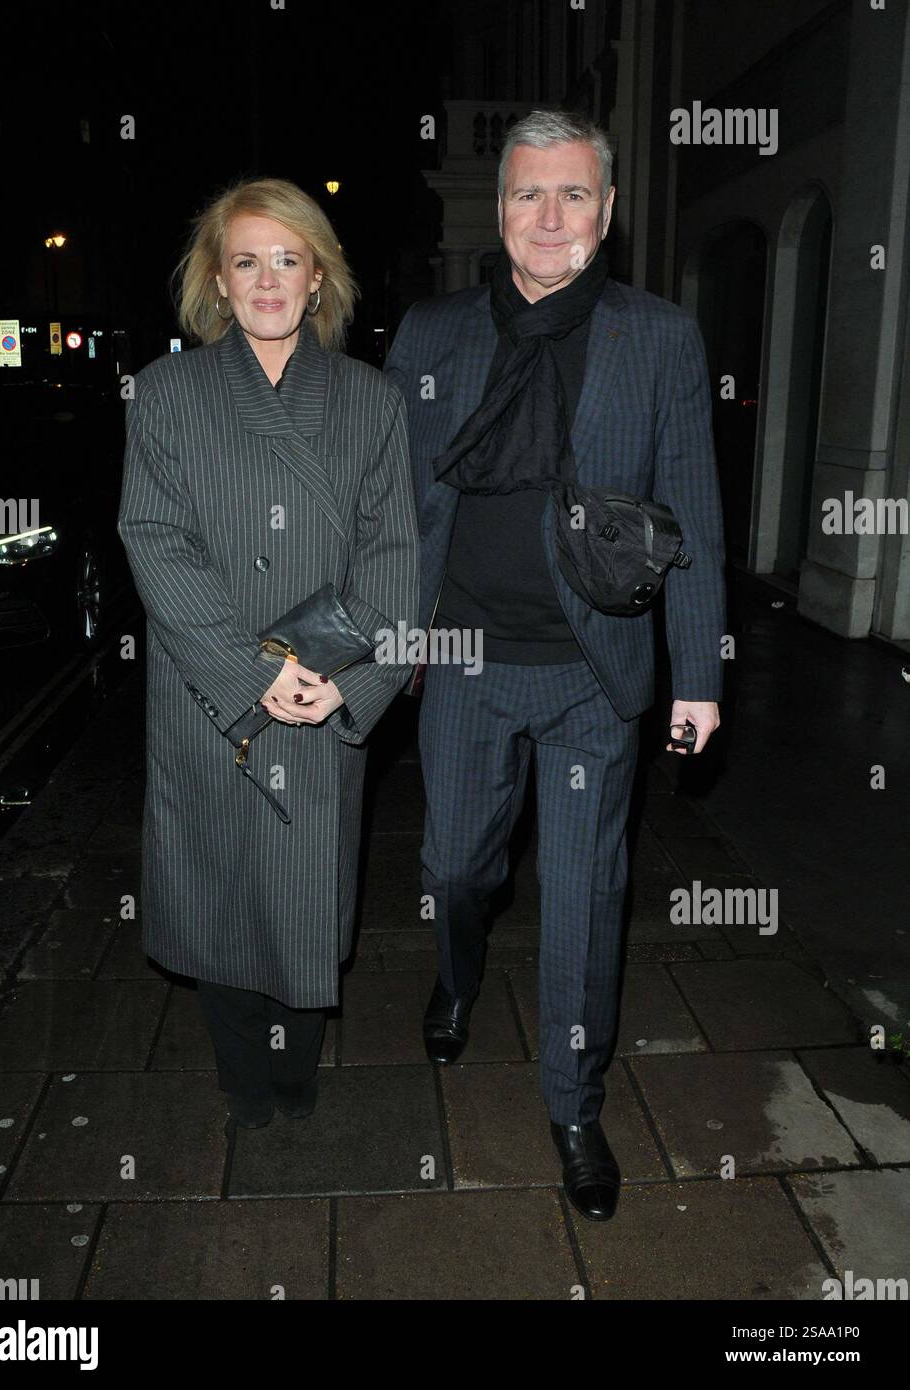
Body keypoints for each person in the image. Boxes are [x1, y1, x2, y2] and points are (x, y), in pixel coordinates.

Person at [384, 109, 725, 1221]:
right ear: (500, 208)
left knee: (586, 900)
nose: (549, 216)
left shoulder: (658, 337)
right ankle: (458, 966)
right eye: (529, 193)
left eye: (574, 194)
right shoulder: (431, 334)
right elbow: (387, 514)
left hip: (595, 667)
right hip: (463, 658)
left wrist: (699, 677)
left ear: (609, 211)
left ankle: (574, 1105)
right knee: (453, 868)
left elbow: (697, 516)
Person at [118, 178, 419, 1133]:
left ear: (320, 277)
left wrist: (343, 683)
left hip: (324, 684)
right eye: (246, 259)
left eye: (289, 258)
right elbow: (152, 537)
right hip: (216, 686)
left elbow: (395, 554)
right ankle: (247, 1078)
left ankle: (297, 1074)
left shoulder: (372, 400)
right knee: (218, 889)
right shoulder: (167, 393)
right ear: (216, 278)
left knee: (300, 895)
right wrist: (255, 672)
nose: (268, 278)